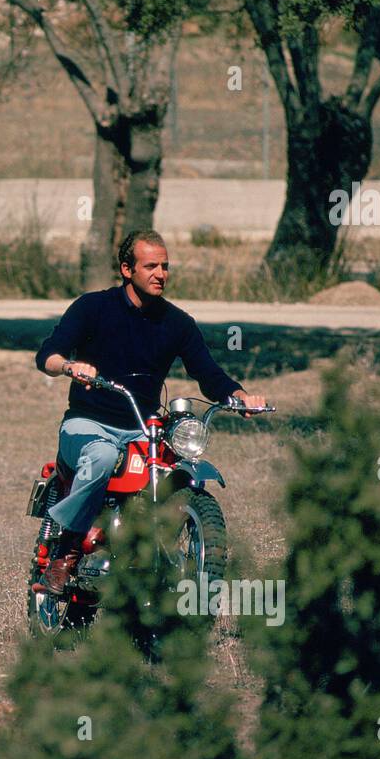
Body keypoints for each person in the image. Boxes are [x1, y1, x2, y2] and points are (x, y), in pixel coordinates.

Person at [34, 229, 266, 595]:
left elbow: (207, 372)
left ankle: (147, 560)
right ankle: (66, 552)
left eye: (165, 266)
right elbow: (47, 355)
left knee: (173, 466)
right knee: (103, 454)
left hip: (144, 428)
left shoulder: (177, 323)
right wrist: (69, 367)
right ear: (127, 269)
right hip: (87, 424)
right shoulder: (93, 308)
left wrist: (238, 395)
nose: (160, 274)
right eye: (151, 266)